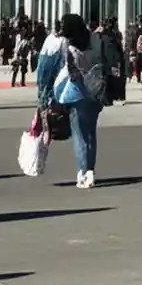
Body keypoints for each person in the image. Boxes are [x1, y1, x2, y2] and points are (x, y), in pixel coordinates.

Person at [38, 14, 114, 189]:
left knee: (79, 135)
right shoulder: (96, 40)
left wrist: (46, 96)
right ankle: (90, 171)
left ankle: (82, 171)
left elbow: (54, 71)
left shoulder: (67, 44)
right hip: (95, 92)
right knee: (91, 133)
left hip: (75, 93)